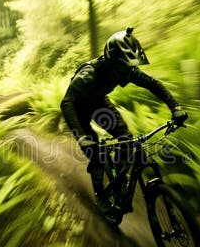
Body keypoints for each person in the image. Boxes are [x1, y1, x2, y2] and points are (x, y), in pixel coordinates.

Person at [60, 27, 188, 215]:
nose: (129, 72)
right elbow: (67, 103)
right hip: (77, 109)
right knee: (95, 153)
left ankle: (119, 178)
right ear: (112, 61)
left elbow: (153, 84)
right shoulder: (89, 73)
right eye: (124, 67)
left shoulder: (126, 69)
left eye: (131, 66)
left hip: (98, 103)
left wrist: (175, 108)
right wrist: (82, 137)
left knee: (126, 138)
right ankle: (100, 195)